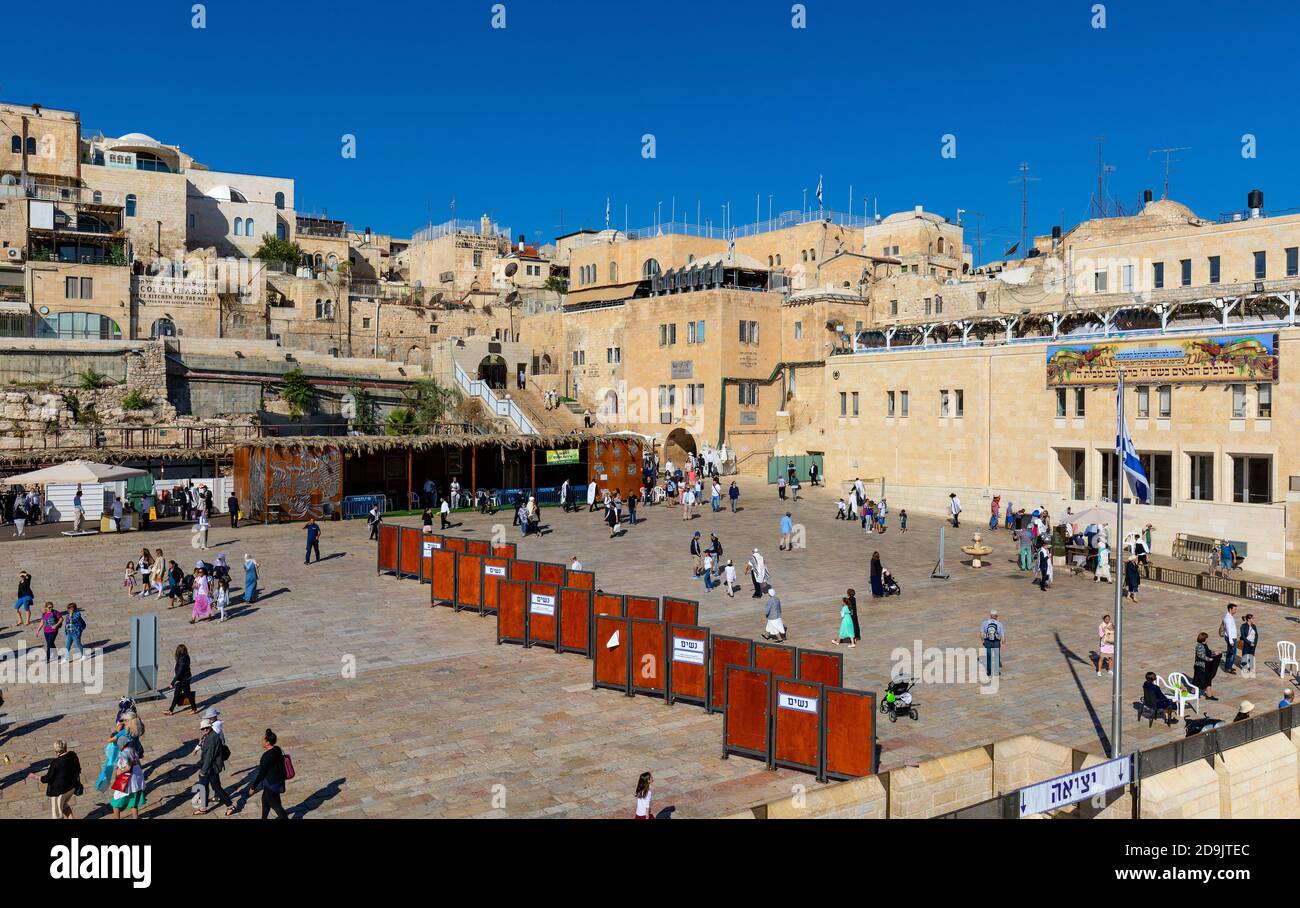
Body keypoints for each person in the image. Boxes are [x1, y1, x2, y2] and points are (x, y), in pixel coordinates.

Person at [30, 739, 81, 819]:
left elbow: (47, 778)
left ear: (57, 751)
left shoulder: (55, 763)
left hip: (59, 792)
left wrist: (35, 777)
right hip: (72, 787)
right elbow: (78, 769)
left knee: (57, 815)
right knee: (64, 805)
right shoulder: (73, 755)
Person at [194, 717, 234, 816]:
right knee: (216, 787)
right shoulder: (210, 735)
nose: (204, 731)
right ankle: (229, 805)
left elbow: (209, 757)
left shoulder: (211, 739)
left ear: (209, 727)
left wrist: (203, 771)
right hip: (212, 767)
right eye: (202, 729)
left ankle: (205, 808)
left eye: (205, 728)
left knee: (205, 787)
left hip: (209, 768)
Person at [250, 728, 289, 819]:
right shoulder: (277, 749)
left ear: (267, 742)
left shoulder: (266, 757)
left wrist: (253, 787)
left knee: (277, 807)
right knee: (265, 800)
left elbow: (261, 774)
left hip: (271, 784)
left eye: (263, 739)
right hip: (278, 781)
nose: (261, 741)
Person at [164, 644, 198, 715]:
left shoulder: (182, 658)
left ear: (178, 651)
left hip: (184, 679)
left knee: (188, 694)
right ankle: (170, 710)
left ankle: (194, 709)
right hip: (184, 678)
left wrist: (172, 682)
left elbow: (179, 671)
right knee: (176, 693)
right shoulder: (185, 656)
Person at [1193, 632, 1220, 702]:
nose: (1207, 640)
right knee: (1198, 681)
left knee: (1207, 680)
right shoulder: (1199, 646)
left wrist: (1215, 653)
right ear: (1203, 639)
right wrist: (1209, 659)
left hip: (1206, 666)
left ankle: (1209, 695)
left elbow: (1208, 652)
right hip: (1200, 667)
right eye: (1206, 638)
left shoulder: (1205, 645)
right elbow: (1200, 655)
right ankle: (1193, 692)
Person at [980, 610, 1004, 677]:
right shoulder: (999, 624)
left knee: (988, 657)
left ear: (990, 616)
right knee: (996, 656)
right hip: (996, 642)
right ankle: (997, 671)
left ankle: (989, 672)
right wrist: (1003, 643)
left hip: (987, 641)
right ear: (997, 616)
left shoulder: (984, 623)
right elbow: (1002, 635)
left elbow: (982, 633)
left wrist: (982, 641)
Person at [1220, 603, 1239, 674]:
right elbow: (1228, 630)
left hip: (1232, 638)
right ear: (1230, 609)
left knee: (1231, 653)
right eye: (1234, 609)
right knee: (1231, 654)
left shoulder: (1230, 616)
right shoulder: (1228, 618)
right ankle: (1228, 668)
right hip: (1231, 639)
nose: (1236, 611)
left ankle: (1229, 666)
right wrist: (1231, 641)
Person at [1239, 613, 1259, 678]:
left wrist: (1255, 642)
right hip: (1246, 643)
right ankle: (1244, 666)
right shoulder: (1243, 626)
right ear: (1248, 619)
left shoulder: (1254, 626)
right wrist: (1249, 642)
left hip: (1253, 643)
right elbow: (1243, 636)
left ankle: (1251, 667)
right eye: (1252, 618)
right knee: (1245, 654)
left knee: (1252, 655)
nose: (1253, 619)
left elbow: (1256, 635)